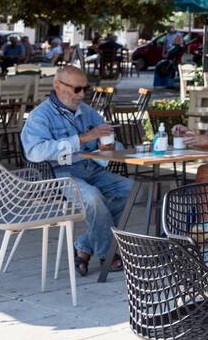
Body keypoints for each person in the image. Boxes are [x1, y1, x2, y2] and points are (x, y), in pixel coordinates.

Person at [20, 65, 134, 276]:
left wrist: (108, 147)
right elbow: (34, 152)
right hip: (61, 175)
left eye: (85, 89)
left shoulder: (88, 113)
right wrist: (82, 138)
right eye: (76, 89)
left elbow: (109, 143)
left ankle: (84, 245)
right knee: (93, 198)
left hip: (92, 169)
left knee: (133, 191)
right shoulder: (40, 116)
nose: (81, 95)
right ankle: (107, 254)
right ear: (57, 86)